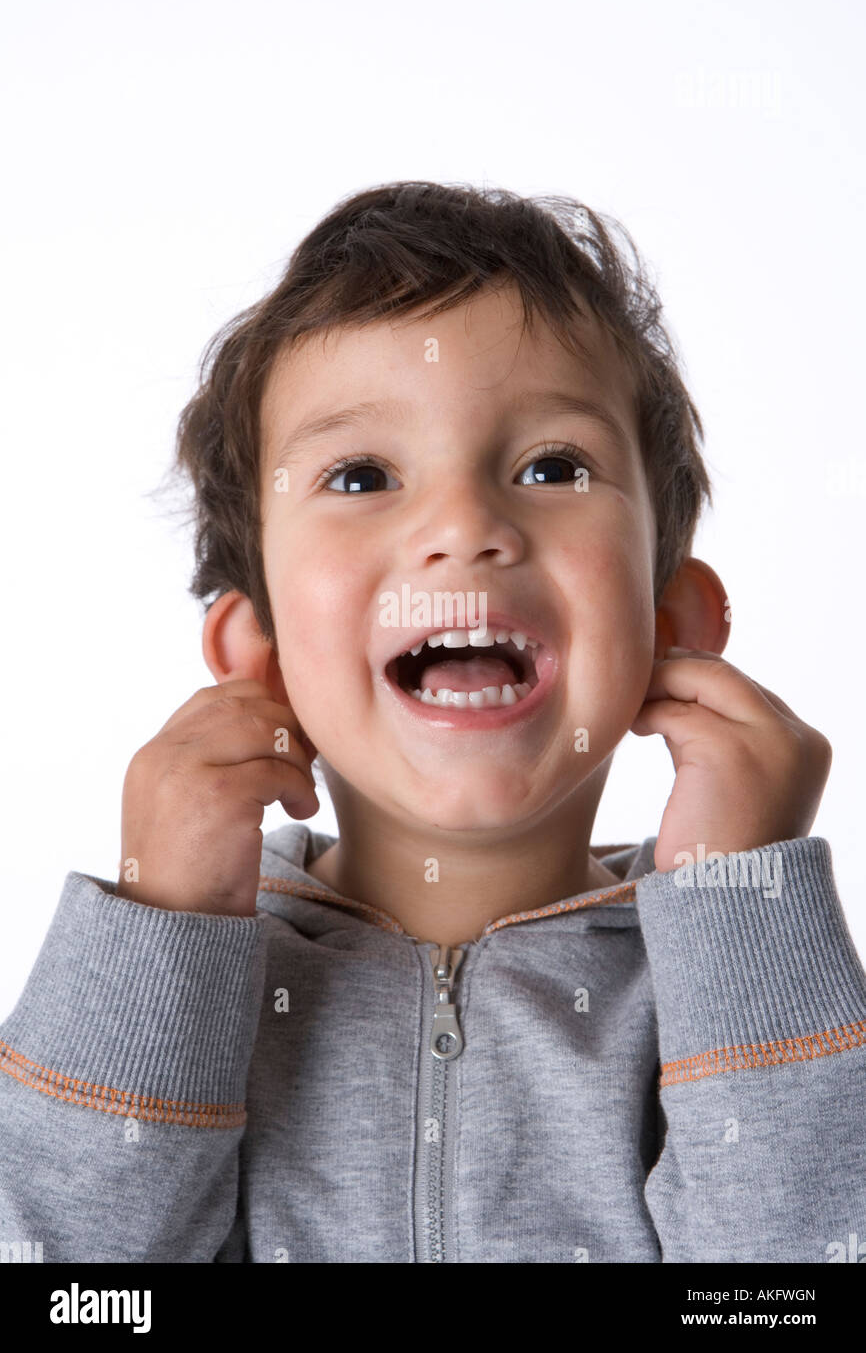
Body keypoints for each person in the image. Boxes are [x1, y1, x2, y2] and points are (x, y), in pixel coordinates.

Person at [1, 182, 862, 1263]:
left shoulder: (723, 974)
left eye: (551, 467)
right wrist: (160, 930)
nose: (463, 526)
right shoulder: (184, 979)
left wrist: (743, 900)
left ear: (667, 622)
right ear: (256, 646)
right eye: (361, 475)